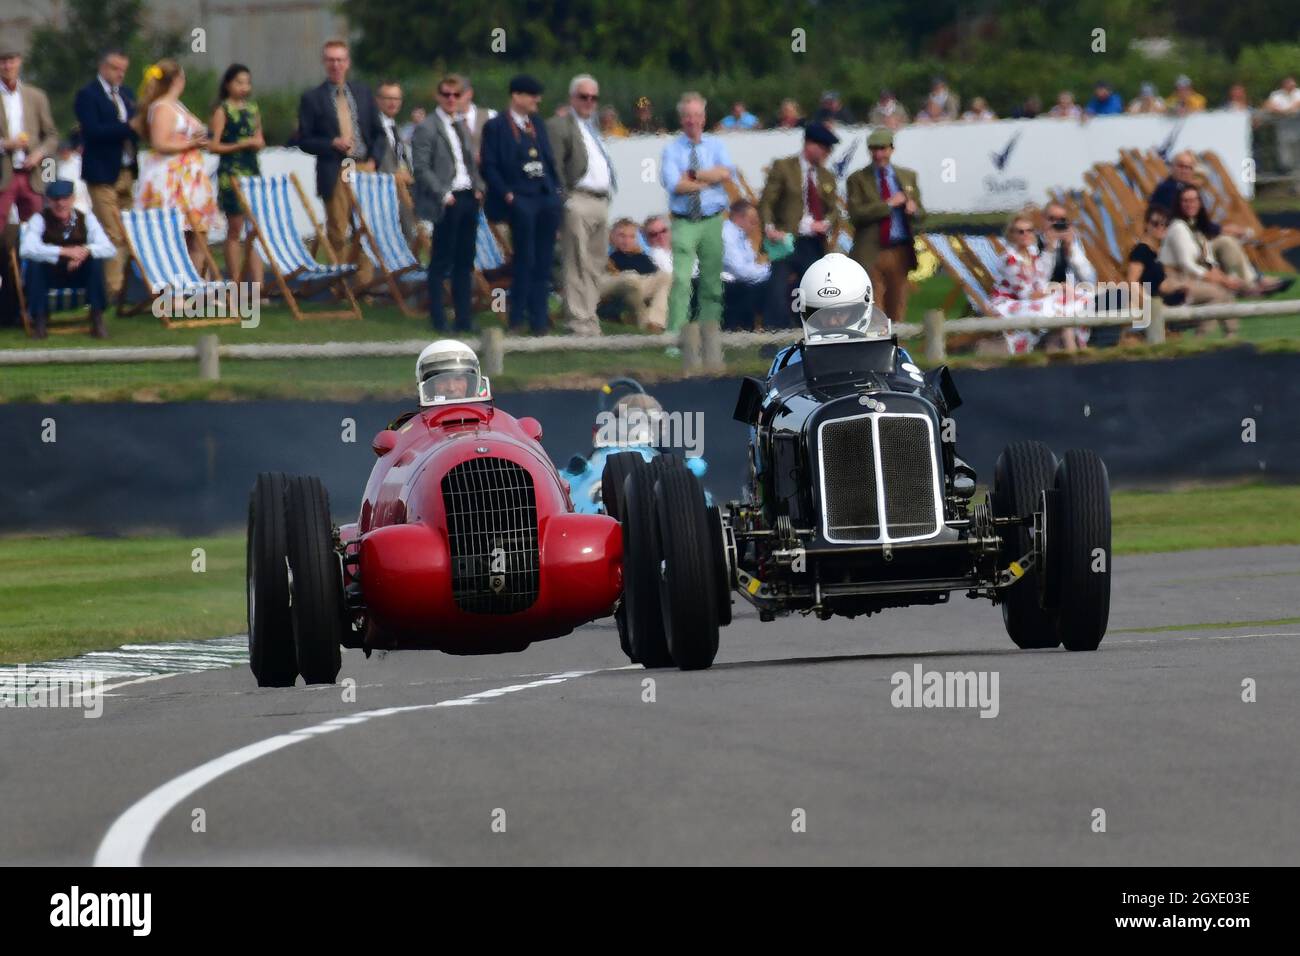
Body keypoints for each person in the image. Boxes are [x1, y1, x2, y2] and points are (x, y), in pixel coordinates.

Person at [297, 39, 386, 284]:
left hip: (363, 167)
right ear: (324, 63)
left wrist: (375, 161)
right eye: (331, 60)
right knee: (338, 230)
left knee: (366, 228)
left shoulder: (363, 92)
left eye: (340, 60)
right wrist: (330, 143)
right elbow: (303, 139)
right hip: (334, 168)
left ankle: (364, 284)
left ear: (347, 63)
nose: (336, 65)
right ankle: (340, 284)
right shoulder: (312, 97)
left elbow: (379, 133)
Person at [480, 74, 563, 335]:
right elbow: (489, 165)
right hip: (519, 197)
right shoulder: (496, 126)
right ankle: (517, 317)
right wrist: (507, 194)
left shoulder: (537, 123)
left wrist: (555, 192)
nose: (536, 100)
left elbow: (548, 159)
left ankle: (539, 319)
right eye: (531, 95)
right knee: (524, 258)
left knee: (544, 259)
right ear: (516, 96)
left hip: (543, 196)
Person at [1161, 184, 1288, 335]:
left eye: (1194, 200)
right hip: (1175, 281)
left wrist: (1226, 279)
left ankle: (1231, 336)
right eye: (1185, 201)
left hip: (1192, 279)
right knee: (1218, 293)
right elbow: (1188, 265)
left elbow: (1208, 260)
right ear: (1179, 204)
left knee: (1225, 288)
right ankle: (1201, 340)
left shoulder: (1197, 227)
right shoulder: (1178, 228)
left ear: (1200, 203)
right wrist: (1221, 280)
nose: (1190, 204)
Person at [412, 74, 485, 334]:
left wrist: (478, 188)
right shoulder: (428, 127)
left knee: (465, 260)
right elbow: (420, 168)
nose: (451, 99)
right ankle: (439, 317)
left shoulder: (460, 125)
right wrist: (444, 194)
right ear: (438, 96)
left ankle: (464, 317)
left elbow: (469, 161)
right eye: (446, 94)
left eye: (456, 94)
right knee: (442, 261)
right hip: (448, 199)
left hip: (467, 196)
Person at [659, 91, 736, 334]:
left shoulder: (716, 145)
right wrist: (707, 178)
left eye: (697, 115)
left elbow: (725, 173)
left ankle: (708, 333)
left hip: (712, 219)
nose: (692, 120)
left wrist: (693, 175)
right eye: (687, 116)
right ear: (681, 120)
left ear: (703, 118)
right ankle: (674, 335)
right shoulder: (671, 150)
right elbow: (675, 185)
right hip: (684, 222)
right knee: (681, 279)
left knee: (712, 282)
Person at [549, 73, 617, 336]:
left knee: (596, 263)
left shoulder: (593, 128)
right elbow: (554, 167)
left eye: (593, 97)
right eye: (583, 96)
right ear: (572, 98)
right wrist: (564, 201)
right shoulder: (560, 125)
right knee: (577, 261)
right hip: (577, 199)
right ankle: (578, 322)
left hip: (600, 200)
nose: (589, 102)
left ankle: (590, 318)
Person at [133, 58, 220, 265]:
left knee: (198, 234)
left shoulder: (178, 106)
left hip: (190, 177)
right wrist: (190, 144)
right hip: (172, 177)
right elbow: (160, 143)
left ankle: (199, 288)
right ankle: (175, 288)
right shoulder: (162, 107)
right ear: (178, 79)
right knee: (175, 235)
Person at [757, 121, 840, 327]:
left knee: (816, 290)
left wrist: (826, 223)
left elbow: (834, 209)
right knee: (777, 288)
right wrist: (769, 228)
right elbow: (767, 202)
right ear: (809, 144)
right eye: (823, 148)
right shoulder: (784, 167)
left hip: (813, 243)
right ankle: (773, 338)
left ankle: (816, 333)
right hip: (786, 240)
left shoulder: (826, 176)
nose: (826, 153)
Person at [1150, 150, 1267, 292]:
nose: (1185, 171)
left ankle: (1245, 282)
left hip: (1195, 244)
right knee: (1224, 244)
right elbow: (1187, 260)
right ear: (1172, 167)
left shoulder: (1184, 189)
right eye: (1181, 166)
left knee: (1225, 243)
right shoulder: (1168, 191)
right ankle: (1246, 284)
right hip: (1177, 250)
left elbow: (1202, 226)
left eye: (1189, 167)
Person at [74, 49, 138, 300]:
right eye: (115, 68)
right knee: (113, 233)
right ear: (103, 67)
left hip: (126, 170)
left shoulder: (127, 94)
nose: (120, 74)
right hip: (101, 172)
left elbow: (136, 127)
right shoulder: (88, 95)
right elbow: (93, 131)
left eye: (123, 69)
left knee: (127, 232)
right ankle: (113, 290)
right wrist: (126, 127)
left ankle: (121, 287)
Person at [846, 127, 924, 323]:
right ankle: (877, 345)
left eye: (882, 149)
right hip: (871, 250)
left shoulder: (907, 177)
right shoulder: (857, 179)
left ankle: (897, 346)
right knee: (874, 304)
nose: (878, 154)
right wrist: (888, 205)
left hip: (900, 249)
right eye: (874, 149)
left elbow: (922, 215)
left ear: (891, 149)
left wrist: (913, 210)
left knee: (898, 302)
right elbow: (856, 214)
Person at [19, 180, 114, 339]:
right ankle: (39, 322)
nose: (61, 203)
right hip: (51, 276)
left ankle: (97, 319)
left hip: (78, 274)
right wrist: (63, 252)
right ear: (48, 201)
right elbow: (26, 249)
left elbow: (108, 248)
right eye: (56, 199)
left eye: (65, 198)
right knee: (34, 265)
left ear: (73, 199)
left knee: (96, 263)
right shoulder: (39, 219)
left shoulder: (86, 218)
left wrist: (85, 251)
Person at [991, 210, 1092, 353]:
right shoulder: (1010, 259)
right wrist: (1056, 289)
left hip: (1032, 299)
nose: (1026, 234)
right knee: (1059, 307)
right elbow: (1026, 294)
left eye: (1029, 230)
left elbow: (1042, 279)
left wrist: (1051, 247)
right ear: (1012, 235)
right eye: (1020, 232)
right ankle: (1071, 349)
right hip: (1011, 304)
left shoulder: (1031, 253)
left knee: (1078, 296)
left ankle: (1064, 344)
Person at [1128, 203, 1226, 336]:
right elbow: (1132, 281)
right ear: (1146, 225)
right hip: (1159, 304)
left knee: (1218, 295)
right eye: (1156, 223)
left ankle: (1205, 339)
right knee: (1217, 295)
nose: (1161, 227)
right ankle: (1203, 339)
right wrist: (1149, 304)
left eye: (1165, 224)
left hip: (1174, 297)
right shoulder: (1141, 250)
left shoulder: (1160, 251)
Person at [209, 64, 264, 285]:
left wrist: (257, 143)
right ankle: (236, 282)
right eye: (239, 82)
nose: (244, 87)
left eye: (247, 82)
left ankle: (258, 286)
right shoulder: (222, 110)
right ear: (228, 84)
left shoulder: (253, 109)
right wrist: (242, 144)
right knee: (235, 229)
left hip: (251, 171)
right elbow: (213, 145)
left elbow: (259, 138)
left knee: (254, 230)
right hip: (231, 172)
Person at [0, 47, 59, 229]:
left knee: (35, 226)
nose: (7, 66)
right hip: (3, 173)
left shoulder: (36, 96)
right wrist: (5, 144)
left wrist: (39, 153)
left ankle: (29, 258)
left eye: (11, 60)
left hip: (31, 174)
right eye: (3, 62)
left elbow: (51, 135)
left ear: (19, 61)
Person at [1037, 201, 1096, 350]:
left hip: (1071, 297)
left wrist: (1071, 250)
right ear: (1043, 220)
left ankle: (1069, 345)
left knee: (1118, 296)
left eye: (1062, 220)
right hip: (1045, 297)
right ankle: (1073, 348)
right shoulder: (1034, 244)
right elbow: (1037, 281)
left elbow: (1090, 278)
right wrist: (1049, 250)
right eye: (1052, 219)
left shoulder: (1072, 243)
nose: (1057, 224)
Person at [600, 218, 672, 331]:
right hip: (615, 282)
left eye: (631, 237)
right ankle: (643, 322)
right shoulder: (607, 255)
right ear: (612, 236)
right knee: (630, 277)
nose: (627, 240)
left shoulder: (642, 257)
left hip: (639, 284)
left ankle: (655, 322)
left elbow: (652, 274)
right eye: (622, 236)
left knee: (667, 276)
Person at [375, 80, 418, 250]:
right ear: (377, 100)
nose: (393, 103)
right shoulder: (373, 128)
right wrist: (394, 176)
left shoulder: (396, 127)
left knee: (409, 236)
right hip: (382, 194)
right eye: (388, 98)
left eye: (397, 99)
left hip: (403, 191)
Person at [720, 200, 771, 331]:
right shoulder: (727, 235)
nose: (755, 226)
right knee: (773, 288)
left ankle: (765, 328)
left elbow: (751, 266)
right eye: (752, 221)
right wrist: (770, 271)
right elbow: (740, 270)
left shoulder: (741, 237)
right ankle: (774, 328)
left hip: (739, 284)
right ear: (738, 218)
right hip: (727, 286)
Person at [416, 339, 490, 405]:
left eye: (458, 379)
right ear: (429, 387)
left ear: (471, 383)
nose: (451, 388)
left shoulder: (492, 418)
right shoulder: (414, 421)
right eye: (443, 379)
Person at [455, 75, 496, 163]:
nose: (452, 99)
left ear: (469, 93)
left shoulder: (491, 116)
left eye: (457, 94)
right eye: (448, 95)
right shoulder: (445, 121)